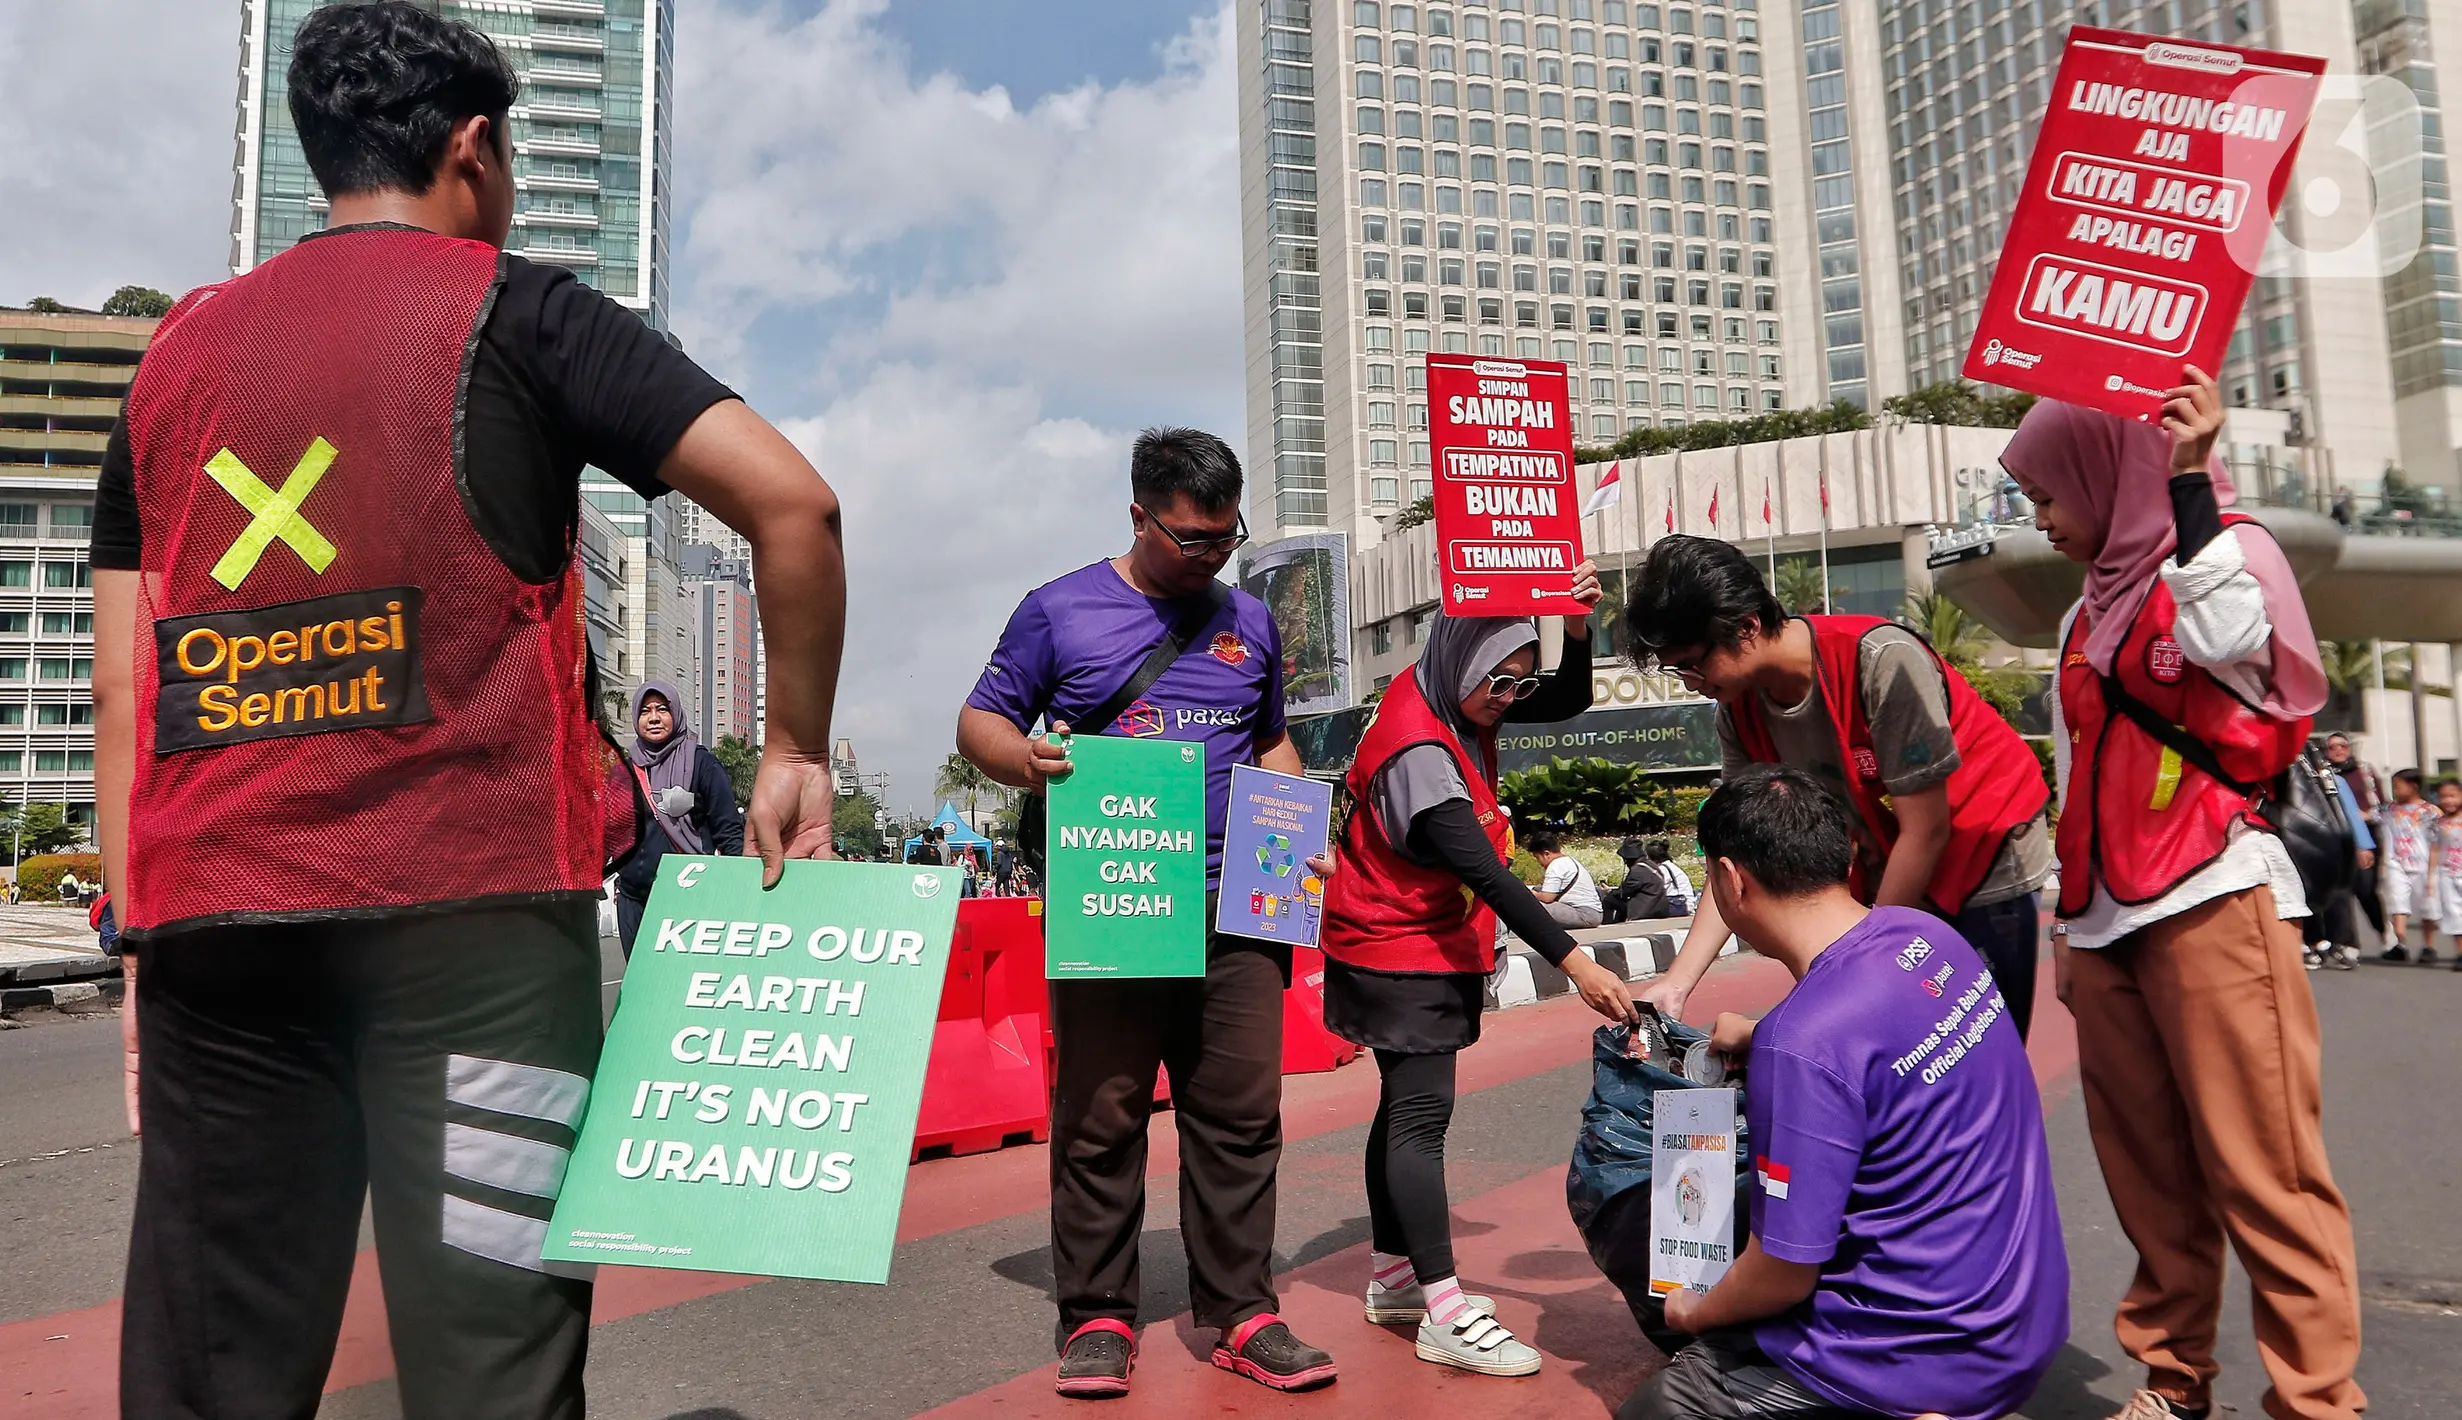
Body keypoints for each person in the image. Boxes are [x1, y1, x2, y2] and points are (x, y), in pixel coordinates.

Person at [91, 8, 848, 1416]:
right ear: (472, 147)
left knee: (211, 1367)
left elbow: (130, 677)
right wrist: (796, 748)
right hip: (479, 934)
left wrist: (146, 929)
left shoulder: (174, 359)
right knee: (490, 1361)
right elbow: (794, 505)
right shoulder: (522, 311)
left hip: (216, 930)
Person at [2000, 365, 2364, 1420]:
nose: (2042, 518)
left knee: (2265, 1169)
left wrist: (2191, 477)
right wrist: (2068, 920)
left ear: (2100, 469)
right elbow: (2072, 775)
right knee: (2146, 1175)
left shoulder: (2222, 553)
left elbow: (2230, 649)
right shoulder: (2085, 610)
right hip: (2106, 917)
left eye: (2046, 494)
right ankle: (2172, 1382)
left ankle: (2315, 1400)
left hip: (2210, 893)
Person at [955, 428, 1337, 1398]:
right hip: (1115, 897)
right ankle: (1094, 1316)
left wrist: (1294, 842)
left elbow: (1273, 744)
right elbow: (980, 721)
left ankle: (1241, 1309)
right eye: (1189, 538)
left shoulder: (1251, 622)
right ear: (1137, 515)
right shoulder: (1056, 611)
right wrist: (1023, 760)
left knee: (1241, 1115)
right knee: (1100, 1116)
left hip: (1238, 913)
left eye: (1224, 536)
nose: (1209, 555)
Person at [1621, 766, 2066, 1420]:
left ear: (1730, 880)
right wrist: (1761, 1034)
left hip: (1921, 1357)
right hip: (2026, 1320)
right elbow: (1868, 1031)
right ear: (1845, 852)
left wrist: (1694, 1310)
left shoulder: (1802, 1044)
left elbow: (1782, 1274)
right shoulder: (1929, 937)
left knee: (1665, 1403)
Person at [1321, 603, 1639, 1379]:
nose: (1509, 697)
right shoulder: (1417, 746)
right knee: (1422, 1119)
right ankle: (1444, 1308)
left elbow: (1566, 695)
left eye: (1518, 684)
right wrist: (1578, 964)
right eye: (1498, 681)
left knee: (1403, 1109)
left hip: (1403, 940)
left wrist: (1574, 617)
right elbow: (1487, 871)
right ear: (1463, 662)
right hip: (1397, 948)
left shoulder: (1445, 697)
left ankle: (1396, 1278)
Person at [1625, 535, 2054, 1039]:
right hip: (1893, 866)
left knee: (1974, 1049)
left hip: (1982, 855)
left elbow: (1928, 829)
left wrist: (1859, 965)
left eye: (1693, 664)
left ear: (1747, 626)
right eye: (1677, 670)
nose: (1690, 682)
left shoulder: (1880, 661)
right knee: (1893, 1050)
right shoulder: (1738, 712)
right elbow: (1736, 855)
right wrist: (1677, 983)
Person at [610, 680, 746, 956]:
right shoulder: (622, 771)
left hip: (690, 897)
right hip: (635, 901)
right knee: (639, 989)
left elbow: (729, 832)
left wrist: (740, 893)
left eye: (662, 709)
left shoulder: (702, 764)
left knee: (683, 986)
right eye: (646, 711)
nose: (654, 718)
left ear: (676, 714)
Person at [2298, 750, 2371, 972]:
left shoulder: (2331, 779)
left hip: (2334, 845)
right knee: (2304, 896)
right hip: (2300, 846)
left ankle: (2343, 943)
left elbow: (2349, 813)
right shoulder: (2286, 781)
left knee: (2338, 895)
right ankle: (2313, 943)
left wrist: (2363, 844)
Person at [2321, 733, 2386, 940]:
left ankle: (2384, 930)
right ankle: (2345, 941)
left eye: (2343, 746)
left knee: (2366, 890)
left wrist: (2367, 814)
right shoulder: (2323, 775)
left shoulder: (2364, 771)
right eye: (2333, 747)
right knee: (2339, 892)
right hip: (2337, 837)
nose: (2339, 750)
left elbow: (2382, 804)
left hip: (2367, 834)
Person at [2377, 768, 2436, 961]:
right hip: (2396, 864)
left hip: (2423, 865)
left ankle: (2428, 946)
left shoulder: (2430, 812)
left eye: (2398, 787)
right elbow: (2366, 816)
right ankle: (2400, 944)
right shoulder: (2388, 810)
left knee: (2428, 906)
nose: (2395, 791)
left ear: (2413, 787)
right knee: (2397, 903)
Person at [1528, 827, 1606, 930]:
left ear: (1546, 854)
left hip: (1583, 914)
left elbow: (1547, 898)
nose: (1538, 862)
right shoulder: (1568, 861)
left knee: (1530, 906)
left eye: (1537, 858)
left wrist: (1531, 894)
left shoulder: (1555, 866)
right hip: (1594, 913)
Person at [1600, 836, 1674, 924]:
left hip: (1646, 909)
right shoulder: (1651, 865)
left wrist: (1609, 891)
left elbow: (1624, 892)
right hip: (1659, 907)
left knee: (1610, 900)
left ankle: (1607, 924)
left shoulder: (1637, 870)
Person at [2433, 777, 2462, 969]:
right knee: (2454, 915)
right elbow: (2434, 850)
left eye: (2453, 796)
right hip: (2447, 873)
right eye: (2444, 797)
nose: (2448, 800)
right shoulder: (2439, 823)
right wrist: (2430, 877)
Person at [1650, 839, 1696, 916]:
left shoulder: (1663, 869)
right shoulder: (1670, 866)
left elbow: (1658, 888)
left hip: (1681, 904)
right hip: (1686, 902)